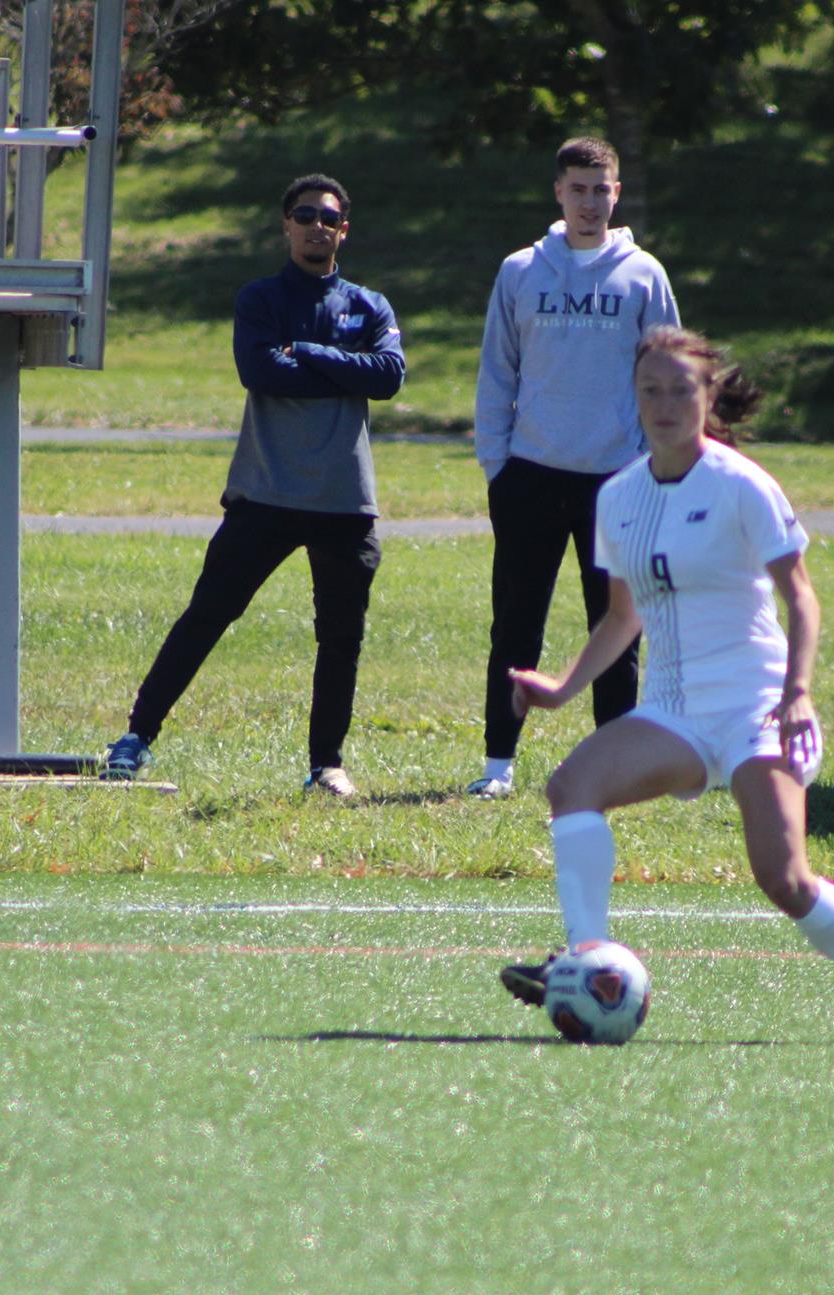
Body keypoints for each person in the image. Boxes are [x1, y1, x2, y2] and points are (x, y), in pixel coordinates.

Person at [497, 326, 834, 1042]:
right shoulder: (619, 496)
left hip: (758, 708)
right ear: (633, 397)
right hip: (675, 713)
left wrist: (799, 690)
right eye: (650, 389)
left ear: (707, 394)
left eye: (680, 388)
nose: (664, 403)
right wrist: (562, 688)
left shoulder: (742, 485)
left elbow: (803, 598)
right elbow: (623, 617)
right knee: (571, 787)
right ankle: (586, 959)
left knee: (784, 878)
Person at [101, 174, 404, 796]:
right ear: (285, 224)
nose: (317, 225)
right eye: (304, 214)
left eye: (329, 217)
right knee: (206, 616)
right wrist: (342, 369)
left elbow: (389, 376)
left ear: (344, 229)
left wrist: (313, 354)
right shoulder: (260, 298)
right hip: (264, 494)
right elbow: (260, 371)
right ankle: (135, 738)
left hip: (346, 500)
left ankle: (327, 765)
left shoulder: (369, 305)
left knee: (340, 637)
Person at [467, 136, 681, 800]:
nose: (590, 201)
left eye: (602, 189)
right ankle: (498, 766)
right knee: (516, 622)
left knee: (615, 623)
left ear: (616, 194)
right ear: (558, 192)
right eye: (578, 188)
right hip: (529, 473)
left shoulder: (643, 273)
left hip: (618, 481)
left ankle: (615, 770)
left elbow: (672, 376)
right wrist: (496, 464)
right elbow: (496, 371)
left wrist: (658, 469)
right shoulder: (520, 271)